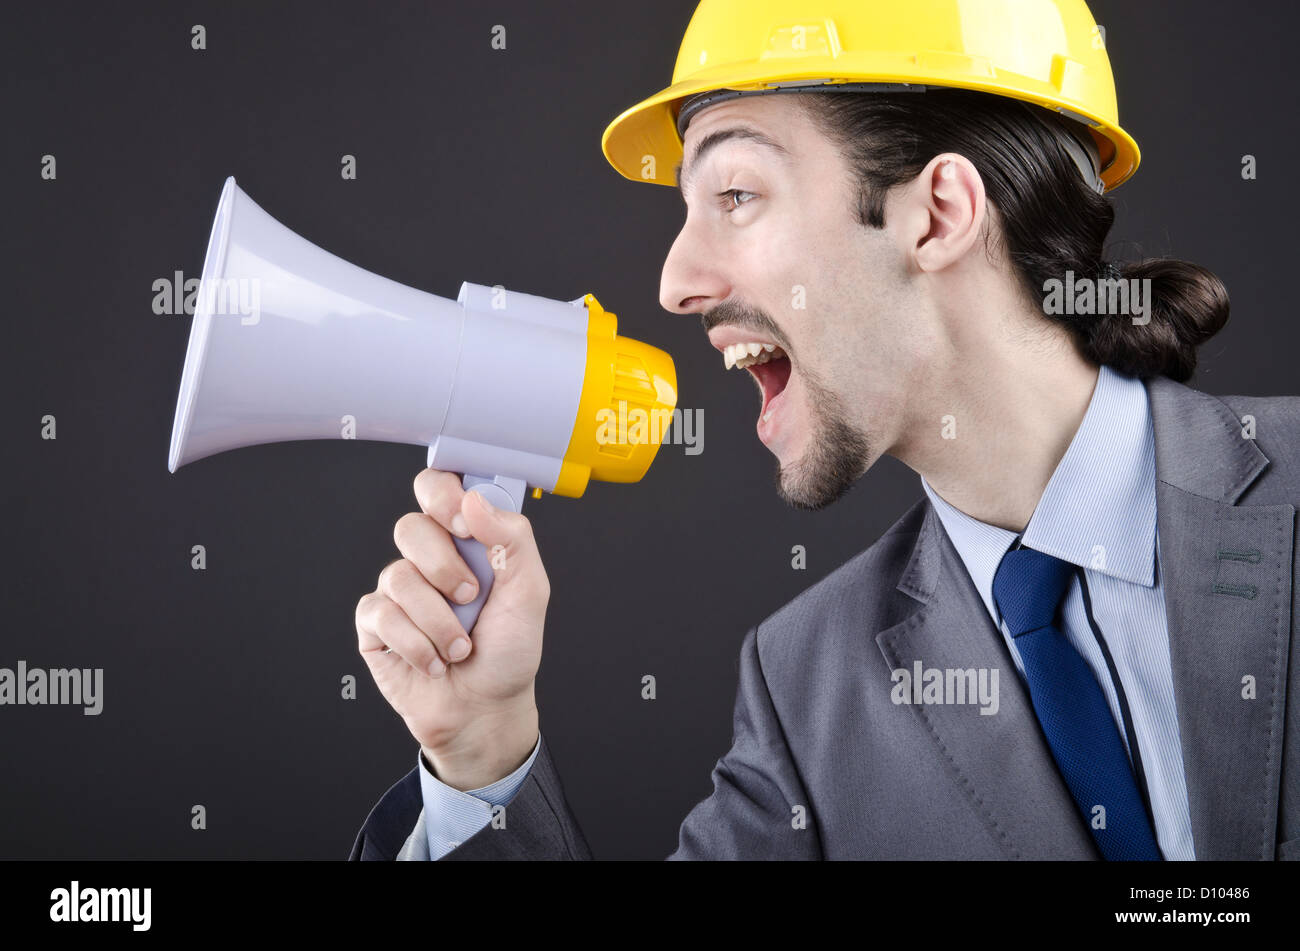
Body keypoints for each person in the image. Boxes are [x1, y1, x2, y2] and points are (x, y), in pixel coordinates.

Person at [350, 0, 1300, 860]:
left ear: (936, 214)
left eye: (735, 195)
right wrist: (481, 753)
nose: (675, 282)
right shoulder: (805, 692)